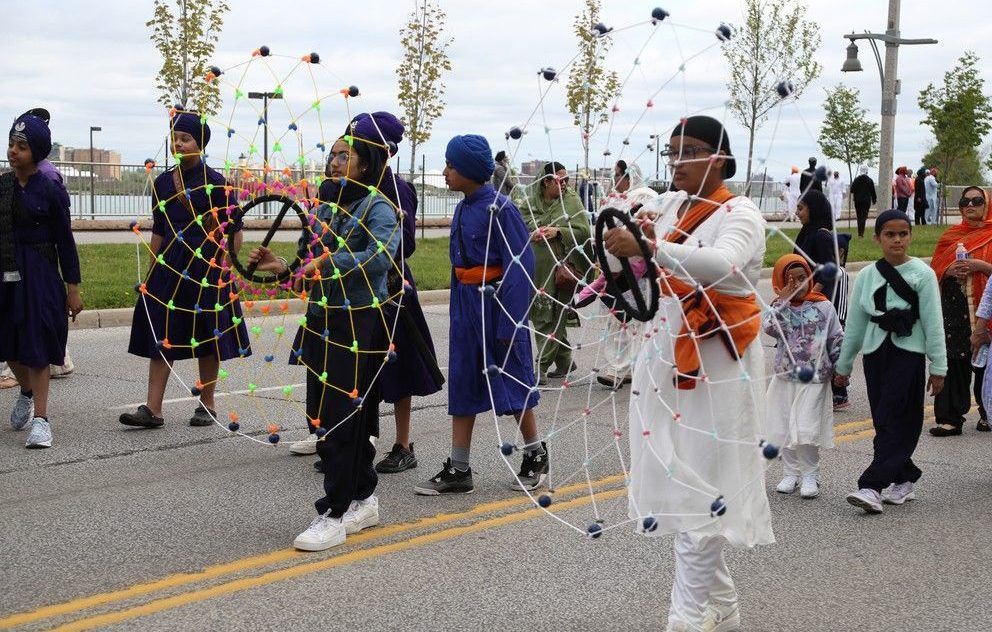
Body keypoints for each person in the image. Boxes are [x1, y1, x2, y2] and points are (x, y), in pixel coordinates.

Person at [604, 115, 773, 632]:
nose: (677, 160)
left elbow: (722, 266)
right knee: (679, 473)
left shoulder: (742, 213)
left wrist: (650, 250)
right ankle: (719, 604)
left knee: (707, 475)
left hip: (720, 361)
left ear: (720, 157)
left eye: (690, 150)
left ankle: (685, 617)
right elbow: (646, 248)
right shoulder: (674, 205)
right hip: (668, 355)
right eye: (672, 150)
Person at [250, 128, 400, 551]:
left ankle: (333, 513)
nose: (333, 162)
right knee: (323, 414)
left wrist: (327, 260)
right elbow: (302, 270)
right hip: (321, 320)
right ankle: (364, 498)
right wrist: (278, 266)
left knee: (342, 416)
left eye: (344, 156)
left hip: (359, 323)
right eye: (332, 155)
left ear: (366, 165)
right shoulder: (323, 211)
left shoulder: (379, 208)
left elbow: (380, 257)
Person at [414, 134, 544, 495]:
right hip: (466, 306)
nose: (445, 172)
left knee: (513, 379)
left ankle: (535, 453)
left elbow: (521, 265)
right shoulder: (462, 207)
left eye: (451, 166)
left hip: (497, 306)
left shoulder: (501, 208)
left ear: (469, 170)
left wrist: (510, 320)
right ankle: (459, 468)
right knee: (464, 378)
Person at [120, 112, 250, 429]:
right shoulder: (163, 182)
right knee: (162, 336)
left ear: (200, 143)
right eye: (175, 137)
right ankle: (153, 408)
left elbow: (236, 230)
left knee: (209, 334)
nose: (178, 143)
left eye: (186, 138)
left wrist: (226, 265)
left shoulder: (217, 183)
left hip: (206, 267)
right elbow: (159, 229)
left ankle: (207, 404)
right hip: (170, 268)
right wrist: (152, 272)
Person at [834, 210, 946, 514]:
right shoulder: (868, 275)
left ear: (910, 236)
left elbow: (934, 323)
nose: (897, 240)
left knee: (897, 413)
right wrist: (843, 367)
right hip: (875, 354)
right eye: (890, 234)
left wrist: (939, 367)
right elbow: (855, 324)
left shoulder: (923, 274)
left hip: (908, 353)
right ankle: (905, 476)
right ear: (878, 239)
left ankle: (871, 485)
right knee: (884, 418)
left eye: (903, 234)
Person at [1, 113, 83, 448]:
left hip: (40, 275)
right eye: (11, 144)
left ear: (37, 151)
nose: (13, 151)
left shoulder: (50, 190)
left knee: (36, 346)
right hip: (6, 274)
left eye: (21, 146)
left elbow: (65, 241)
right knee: (9, 346)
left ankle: (42, 420)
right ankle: (26, 391)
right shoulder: (2, 187)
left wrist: (72, 288)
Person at [764, 255, 843, 499]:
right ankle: (790, 473)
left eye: (803, 278)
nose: (798, 284)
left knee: (806, 427)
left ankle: (810, 474)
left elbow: (836, 337)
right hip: (785, 376)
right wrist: (783, 300)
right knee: (784, 426)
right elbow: (768, 328)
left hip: (815, 379)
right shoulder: (779, 307)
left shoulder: (823, 307)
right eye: (791, 280)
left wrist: (841, 368)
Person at [517, 161, 592, 384]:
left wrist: (558, 230)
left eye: (567, 179)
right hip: (535, 268)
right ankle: (565, 360)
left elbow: (583, 230)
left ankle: (540, 366)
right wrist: (533, 232)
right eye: (560, 180)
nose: (565, 184)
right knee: (541, 317)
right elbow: (519, 223)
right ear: (546, 181)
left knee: (555, 316)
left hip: (562, 268)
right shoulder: (530, 203)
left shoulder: (571, 200)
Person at [929, 186, 992, 436]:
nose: (970, 205)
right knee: (954, 359)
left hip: (984, 307)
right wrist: (947, 271)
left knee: (985, 363)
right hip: (955, 306)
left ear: (987, 204)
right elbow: (933, 271)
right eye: (964, 201)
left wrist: (981, 266)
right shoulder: (950, 235)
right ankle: (950, 418)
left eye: (977, 200)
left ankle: (987, 413)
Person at [850, 165, 877, 238]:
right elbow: (873, 191)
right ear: (867, 171)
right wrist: (874, 200)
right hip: (866, 201)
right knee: (864, 216)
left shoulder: (856, 179)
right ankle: (861, 233)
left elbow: (852, 190)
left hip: (857, 201)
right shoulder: (869, 180)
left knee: (859, 216)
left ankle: (860, 233)